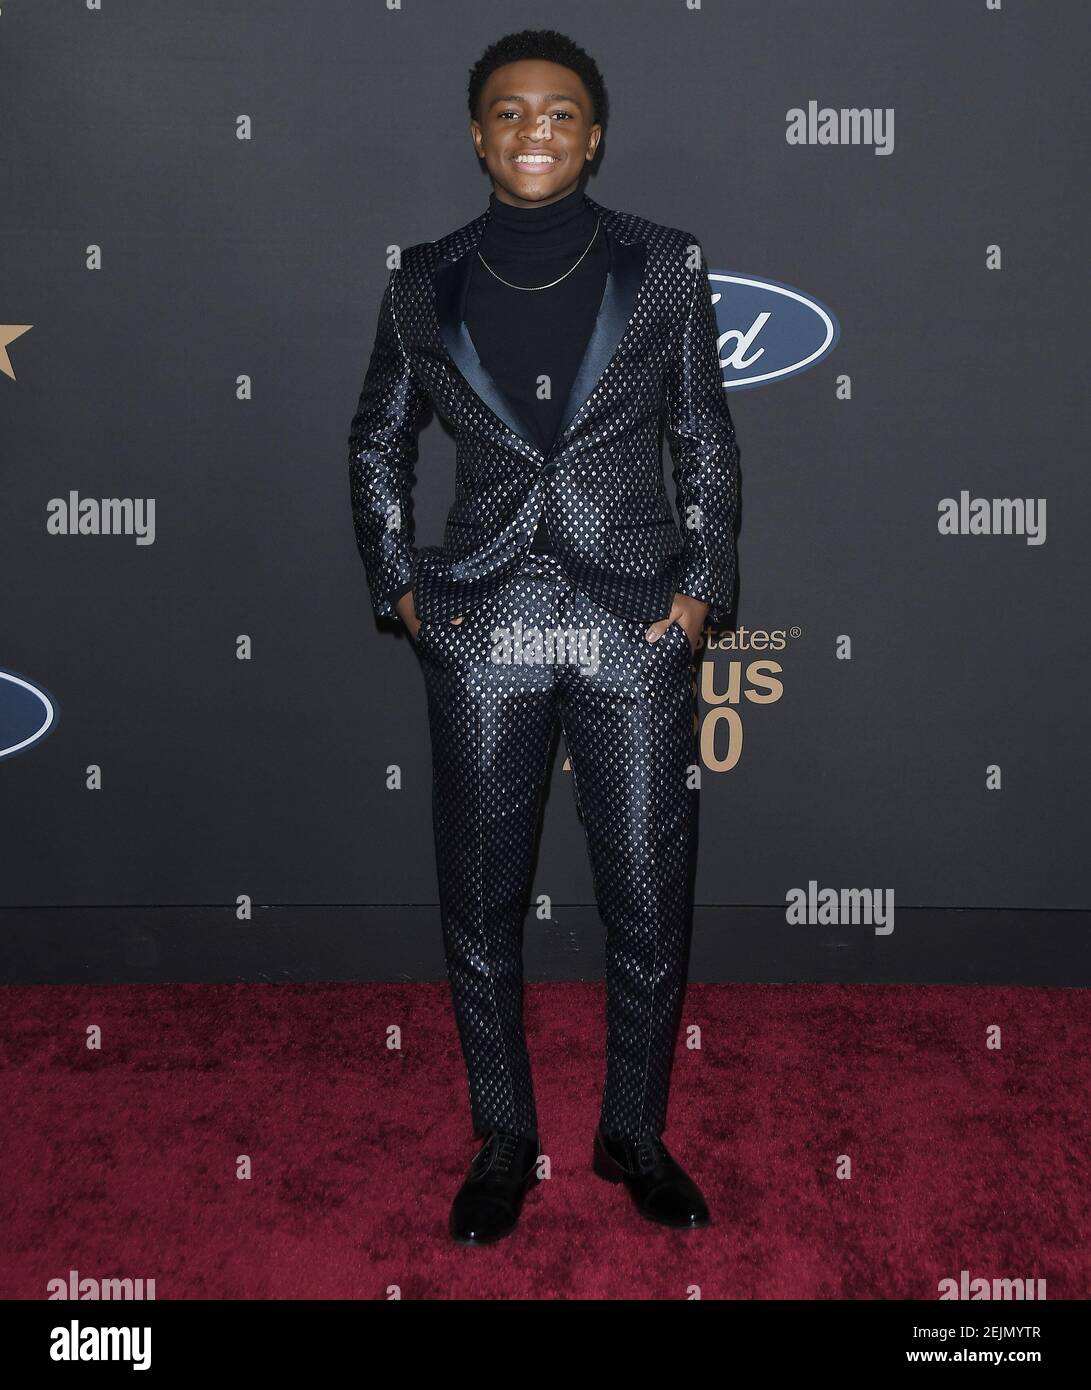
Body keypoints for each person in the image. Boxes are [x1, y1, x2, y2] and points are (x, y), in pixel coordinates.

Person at [347, 28, 740, 1245]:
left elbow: (706, 435)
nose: (534, 130)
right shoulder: (421, 278)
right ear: (477, 133)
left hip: (632, 621)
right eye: (509, 111)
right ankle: (504, 1136)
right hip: (481, 618)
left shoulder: (663, 263)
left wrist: (701, 586)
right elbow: (376, 439)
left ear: (593, 133)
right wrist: (404, 587)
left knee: (645, 894)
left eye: (560, 112)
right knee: (479, 899)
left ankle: (631, 1129)